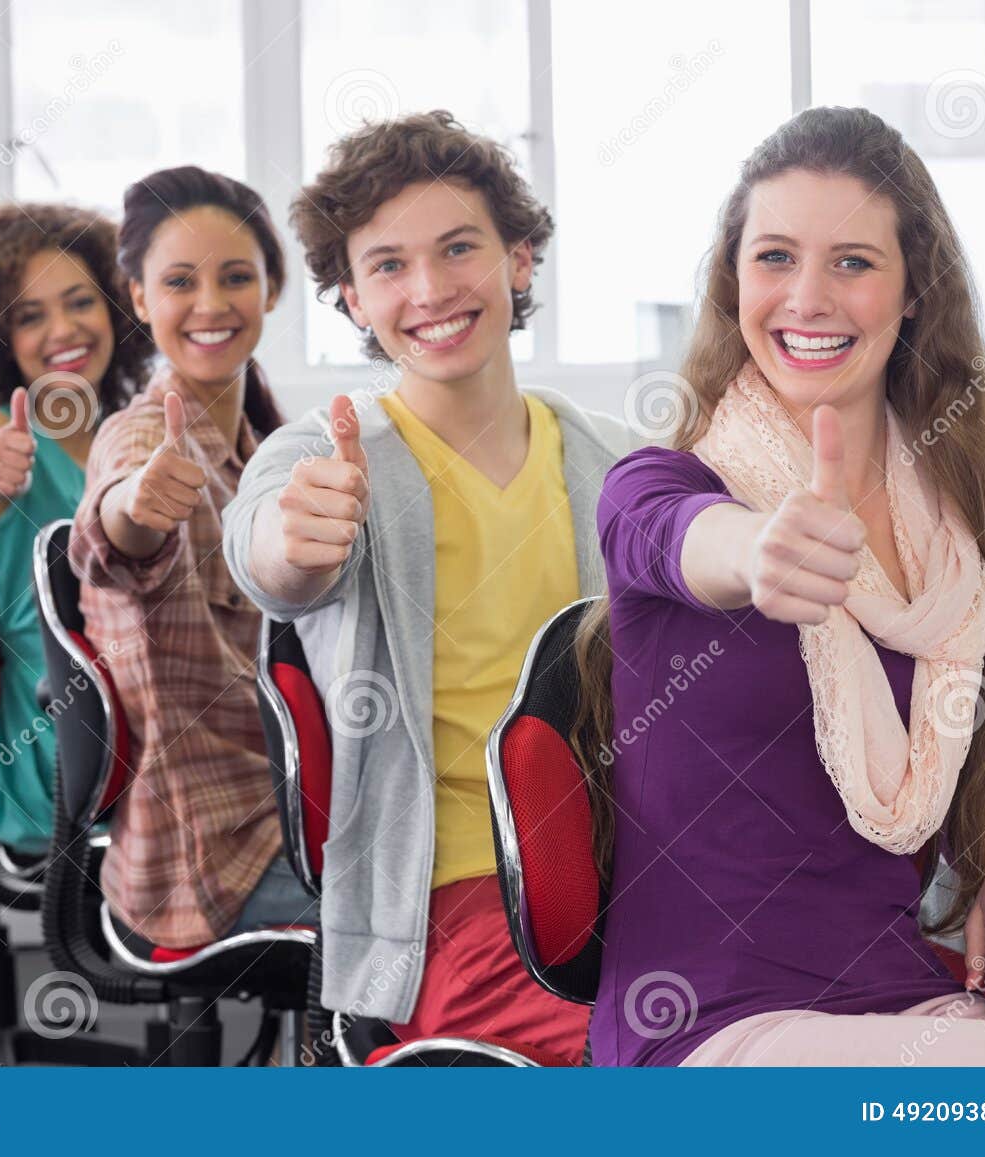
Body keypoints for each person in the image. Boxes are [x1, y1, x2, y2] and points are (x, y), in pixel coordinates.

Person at [577, 107, 985, 1067]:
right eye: (774, 258)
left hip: (900, 999)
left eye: (852, 262)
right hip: (714, 1029)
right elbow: (674, 541)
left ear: (914, 289)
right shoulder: (667, 483)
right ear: (733, 281)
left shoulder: (950, 526)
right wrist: (761, 551)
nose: (806, 297)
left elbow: (963, 751)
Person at [225, 111, 632, 1063]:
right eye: (389, 266)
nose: (432, 290)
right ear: (352, 299)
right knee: (649, 1062)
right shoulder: (325, 455)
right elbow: (268, 556)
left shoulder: (615, 460)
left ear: (520, 260)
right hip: (445, 900)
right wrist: (300, 540)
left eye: (460, 249)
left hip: (628, 876)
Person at [68, 166, 308, 949]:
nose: (211, 304)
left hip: (284, 810)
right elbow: (115, 536)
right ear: (138, 297)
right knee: (440, 919)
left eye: (236, 276)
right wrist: (138, 505)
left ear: (271, 288)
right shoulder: (141, 438)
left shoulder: (262, 444)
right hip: (209, 858)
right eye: (180, 281)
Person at [0, 203, 151, 853]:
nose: (63, 329)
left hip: (148, 713)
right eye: (29, 315)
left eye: (81, 302)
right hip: (65, 746)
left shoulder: (132, 428)